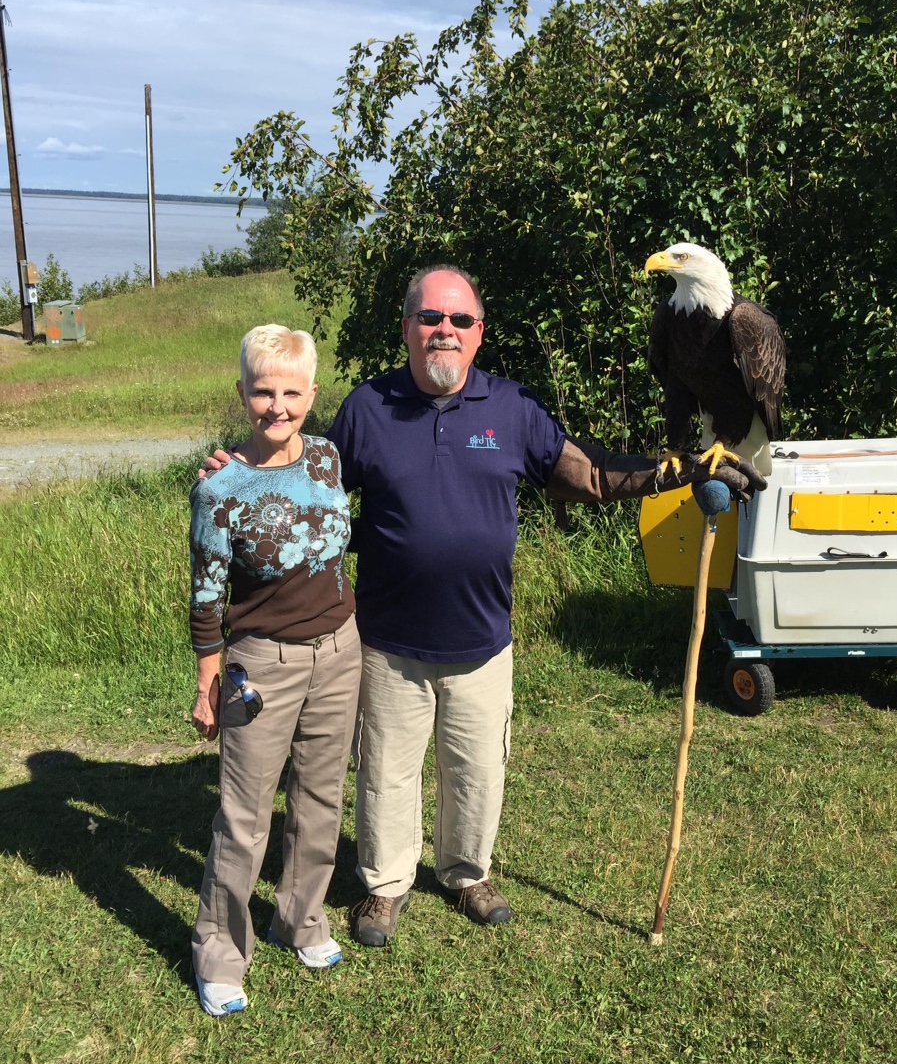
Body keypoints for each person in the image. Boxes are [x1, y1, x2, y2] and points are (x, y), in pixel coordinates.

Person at [204, 267, 763, 949]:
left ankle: (466, 873)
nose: (445, 330)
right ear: (408, 328)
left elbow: (584, 474)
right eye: (431, 318)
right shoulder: (367, 408)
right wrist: (239, 475)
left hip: (482, 638)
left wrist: (679, 470)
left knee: (477, 770)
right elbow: (305, 480)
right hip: (385, 641)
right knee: (385, 773)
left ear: (479, 334)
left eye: (460, 320)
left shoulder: (512, 407)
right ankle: (384, 887)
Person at [189, 324, 360, 1015]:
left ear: (312, 394)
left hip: (341, 651)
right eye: (263, 391)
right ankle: (221, 954)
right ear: (242, 393)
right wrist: (206, 685)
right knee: (244, 814)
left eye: (291, 391)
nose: (277, 406)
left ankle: (302, 918)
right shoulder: (219, 487)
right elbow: (206, 598)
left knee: (320, 800)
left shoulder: (326, 459)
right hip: (261, 663)